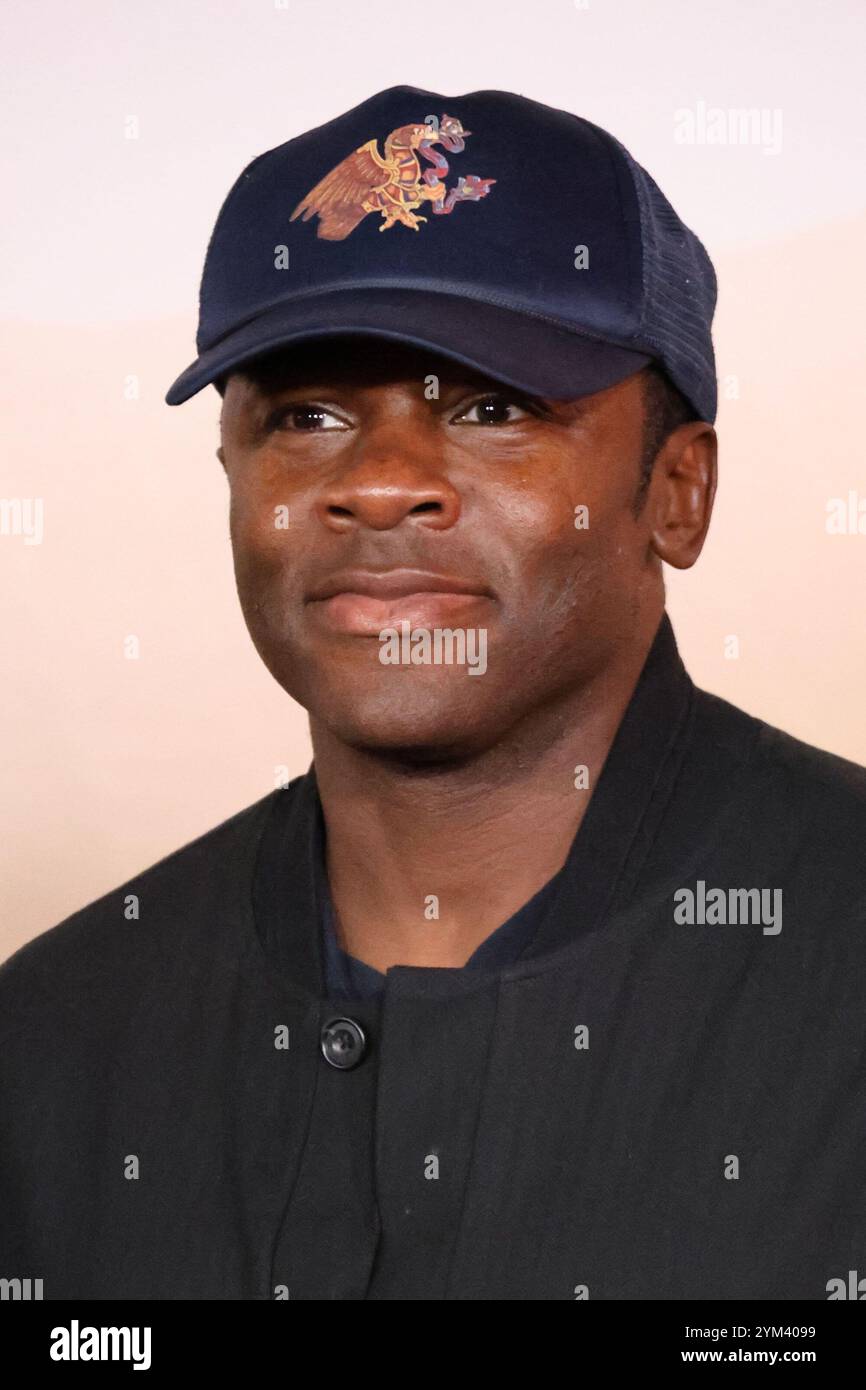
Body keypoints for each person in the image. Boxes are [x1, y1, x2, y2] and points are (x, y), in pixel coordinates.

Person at [1, 85, 864, 1302]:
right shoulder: (51, 1039)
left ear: (676, 492)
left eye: (491, 407)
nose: (382, 483)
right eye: (306, 415)